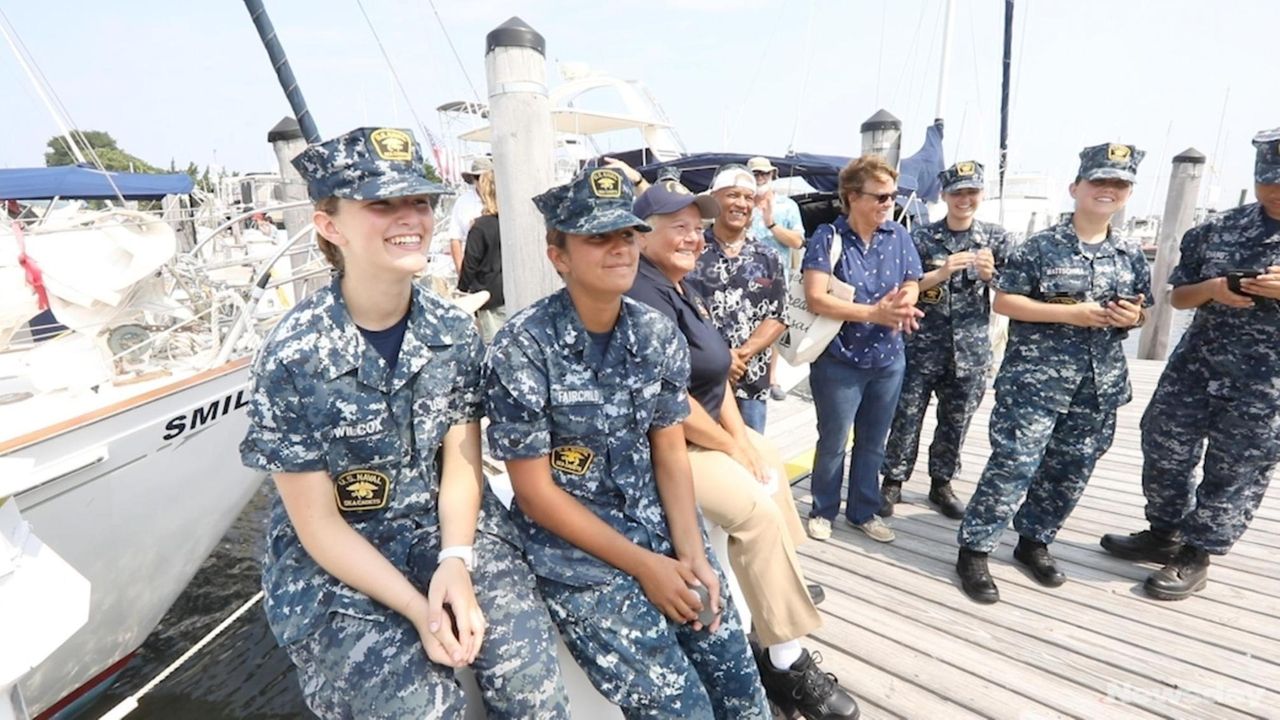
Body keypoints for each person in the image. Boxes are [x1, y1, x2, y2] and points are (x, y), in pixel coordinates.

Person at [238, 127, 568, 719]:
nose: (409, 217)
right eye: (380, 203)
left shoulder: (453, 330)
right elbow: (317, 526)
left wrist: (456, 562)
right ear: (329, 225)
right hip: (340, 560)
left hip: (450, 531)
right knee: (418, 708)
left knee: (532, 689)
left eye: (418, 200)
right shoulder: (293, 355)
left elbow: (463, 463)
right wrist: (419, 609)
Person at [484, 167, 770, 719]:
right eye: (598, 237)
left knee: (742, 693)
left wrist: (692, 553)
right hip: (582, 561)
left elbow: (669, 450)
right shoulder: (522, 349)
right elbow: (536, 495)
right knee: (682, 711)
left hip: (664, 533)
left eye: (626, 235)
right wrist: (645, 566)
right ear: (558, 256)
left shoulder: (654, 332)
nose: (620, 249)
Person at [626, 179, 860, 720]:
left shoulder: (682, 287)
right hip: (669, 446)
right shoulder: (641, 295)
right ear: (641, 237)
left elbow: (718, 379)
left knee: (770, 461)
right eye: (676, 227)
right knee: (754, 512)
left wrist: (743, 443)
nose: (691, 236)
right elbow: (673, 401)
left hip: (707, 431)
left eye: (694, 226)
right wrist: (732, 447)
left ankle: (777, 594)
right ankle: (784, 660)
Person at [956, 143, 1152, 604]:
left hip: (1098, 384)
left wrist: (1132, 319)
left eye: (1119, 184)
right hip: (1035, 382)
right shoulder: (1040, 247)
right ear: (1076, 188)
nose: (1108, 190)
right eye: (1099, 182)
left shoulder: (1129, 253)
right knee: (1013, 465)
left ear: (1127, 194)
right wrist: (1071, 315)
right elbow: (1005, 302)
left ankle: (1034, 541)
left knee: (1070, 469)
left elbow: (1142, 311)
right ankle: (976, 549)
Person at [1100, 129, 1280, 601]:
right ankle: (1165, 531)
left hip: (1267, 383)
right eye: (1269, 182)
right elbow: (1179, 297)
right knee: (1163, 443)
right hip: (1198, 365)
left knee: (1236, 465)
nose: (1276, 191)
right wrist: (1217, 288)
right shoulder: (1217, 231)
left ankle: (1196, 552)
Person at [802, 155, 924, 544]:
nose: (890, 203)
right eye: (882, 196)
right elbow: (816, 298)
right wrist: (874, 312)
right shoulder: (828, 237)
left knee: (873, 442)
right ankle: (823, 508)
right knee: (834, 440)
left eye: (893, 196)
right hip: (840, 359)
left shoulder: (899, 236)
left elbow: (913, 280)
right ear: (853, 196)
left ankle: (863, 510)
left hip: (888, 359)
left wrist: (904, 302)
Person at [880, 161, 1009, 520]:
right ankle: (892, 480)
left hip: (969, 351)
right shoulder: (920, 237)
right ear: (944, 195)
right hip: (921, 344)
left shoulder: (996, 239)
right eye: (957, 192)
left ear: (981, 195)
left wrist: (991, 274)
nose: (964, 199)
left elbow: (1015, 291)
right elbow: (902, 287)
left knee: (956, 421)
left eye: (971, 192)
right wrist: (941, 272)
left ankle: (942, 483)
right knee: (906, 417)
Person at [684, 165, 788, 434]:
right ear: (715, 198)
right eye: (732, 195)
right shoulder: (690, 250)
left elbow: (778, 316)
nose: (741, 204)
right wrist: (719, 360)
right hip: (698, 383)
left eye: (748, 198)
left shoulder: (768, 257)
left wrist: (739, 356)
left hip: (749, 382)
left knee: (749, 464)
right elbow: (676, 308)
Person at [746, 156, 807, 402]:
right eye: (756, 174)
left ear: (773, 175)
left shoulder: (787, 206)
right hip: (743, 278)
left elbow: (798, 241)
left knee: (773, 329)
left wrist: (771, 224)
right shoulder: (741, 203)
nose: (761, 178)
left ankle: (771, 379)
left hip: (776, 279)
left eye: (765, 174)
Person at [457, 169, 505, 342]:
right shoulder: (513, 222)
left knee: (493, 345)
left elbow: (471, 263)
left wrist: (461, 289)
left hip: (488, 294)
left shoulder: (480, 227)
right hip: (513, 291)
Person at [446, 156, 492, 273]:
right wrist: (461, 272)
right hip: (474, 267)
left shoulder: (503, 199)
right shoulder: (463, 202)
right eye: (477, 177)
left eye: (485, 176)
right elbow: (455, 238)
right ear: (472, 179)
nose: (481, 180)